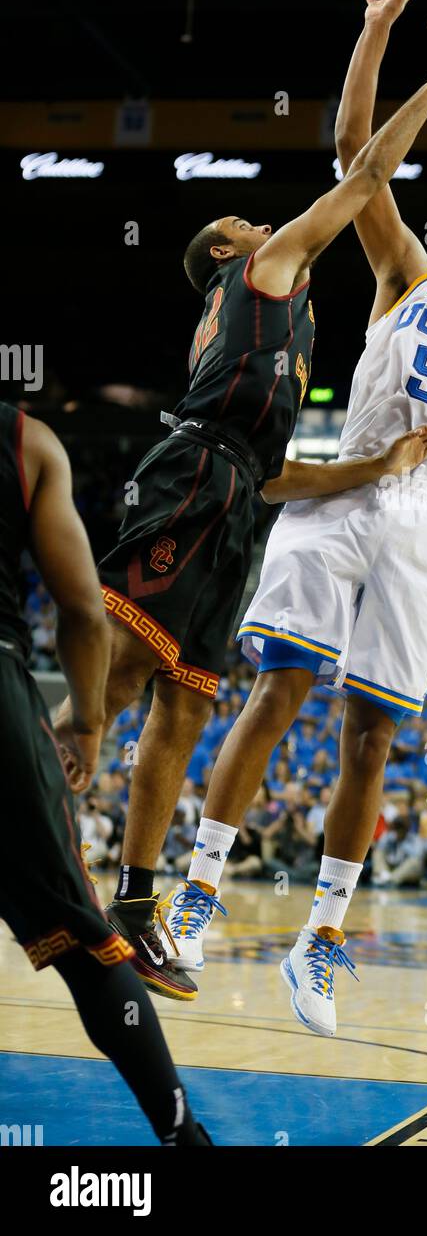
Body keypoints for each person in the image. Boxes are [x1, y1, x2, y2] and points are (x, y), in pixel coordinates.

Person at [52, 27, 427, 999]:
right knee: (121, 682)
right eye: (242, 219)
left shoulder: (281, 318)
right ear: (226, 253)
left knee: (186, 702)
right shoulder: (264, 271)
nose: (258, 219)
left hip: (239, 493)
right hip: (195, 480)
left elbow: (282, 475)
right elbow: (365, 166)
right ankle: (25, 822)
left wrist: (377, 463)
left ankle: (133, 905)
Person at [162, 0, 427, 1039]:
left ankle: (321, 940)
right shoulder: (403, 277)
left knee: (369, 740)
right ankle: (196, 889)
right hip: (343, 492)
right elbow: (350, 149)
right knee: (278, 690)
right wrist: (390, 37)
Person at [0, 403, 209, 1144]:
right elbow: (85, 613)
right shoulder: (27, 440)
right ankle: (183, 1135)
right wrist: (86, 723)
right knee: (88, 952)